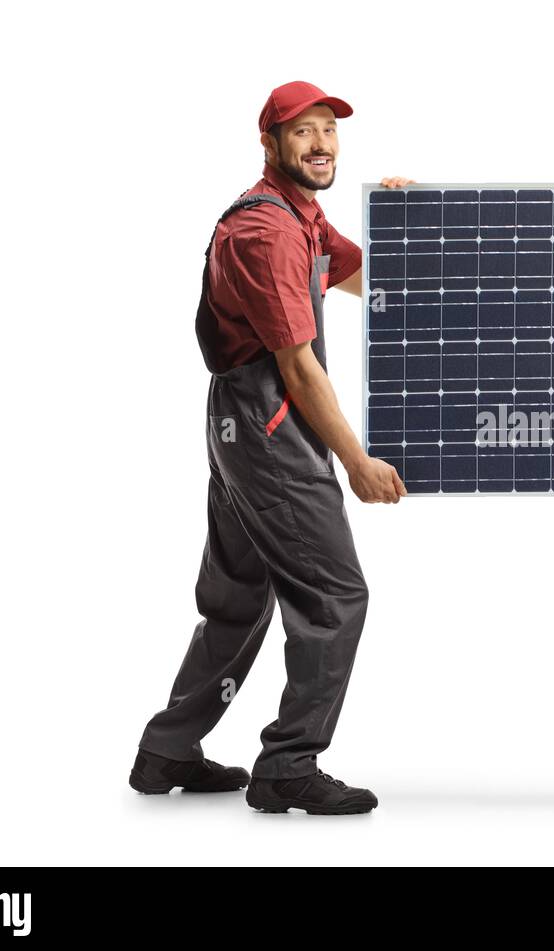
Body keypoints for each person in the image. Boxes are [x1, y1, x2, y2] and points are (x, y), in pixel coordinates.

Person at [130, 80, 412, 815]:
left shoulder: (305, 220)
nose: (320, 143)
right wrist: (355, 461)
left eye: (329, 130)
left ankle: (167, 750)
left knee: (238, 599)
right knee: (336, 594)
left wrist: (413, 215)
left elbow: (373, 277)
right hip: (268, 422)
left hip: (240, 422)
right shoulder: (268, 232)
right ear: (270, 143)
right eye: (302, 131)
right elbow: (298, 365)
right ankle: (288, 764)